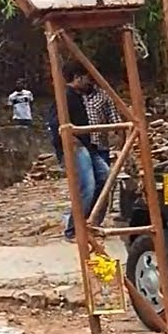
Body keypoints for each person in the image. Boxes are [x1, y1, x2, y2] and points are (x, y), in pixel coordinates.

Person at [58, 62, 110, 242]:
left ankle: (92, 222)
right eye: (86, 78)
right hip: (77, 146)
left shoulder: (80, 96)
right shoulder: (65, 96)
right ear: (77, 77)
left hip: (88, 145)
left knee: (106, 178)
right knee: (87, 186)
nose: (90, 82)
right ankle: (73, 229)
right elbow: (55, 124)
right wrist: (71, 142)